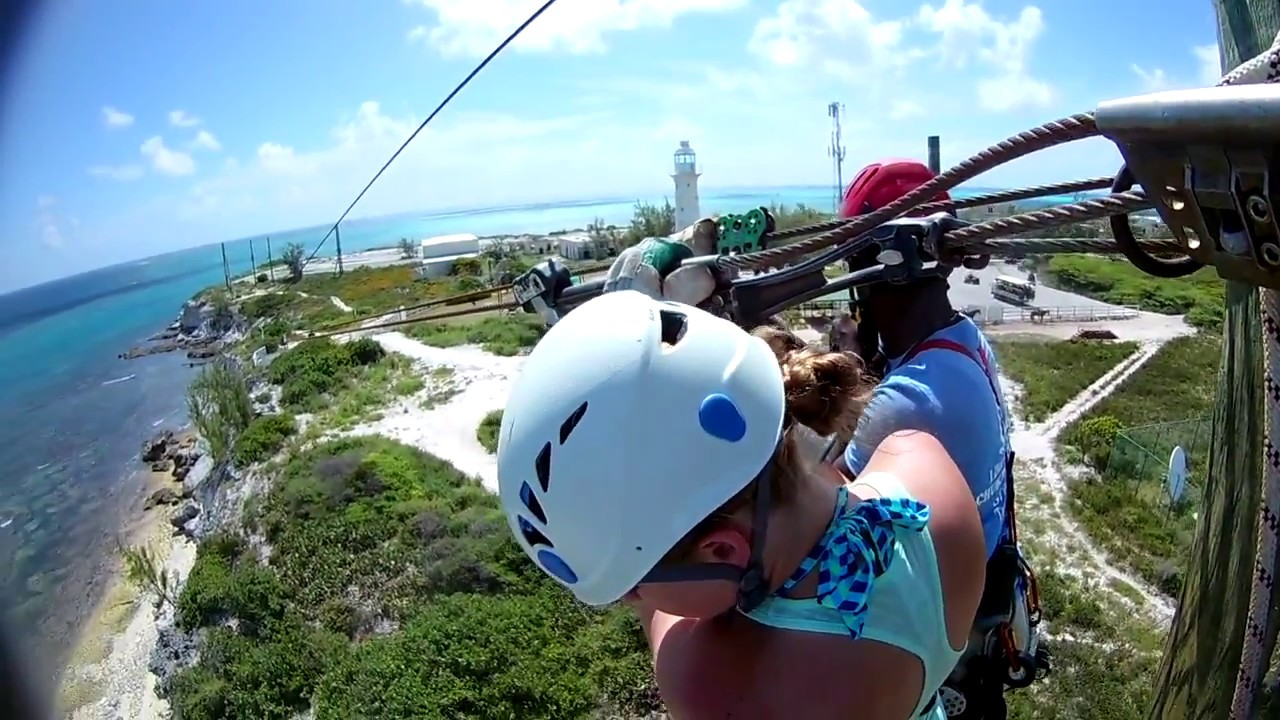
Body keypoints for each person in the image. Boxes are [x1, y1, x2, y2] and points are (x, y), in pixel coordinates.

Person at [497, 290, 987, 719]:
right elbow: (832, 482)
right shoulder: (927, 476)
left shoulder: (719, 691)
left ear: (723, 551)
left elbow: (664, 625)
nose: (634, 603)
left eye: (632, 589)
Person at [829, 159, 1013, 560]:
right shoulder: (965, 337)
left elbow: (818, 503)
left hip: (944, 613)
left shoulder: (911, 399)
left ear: (870, 268)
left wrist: (842, 375)